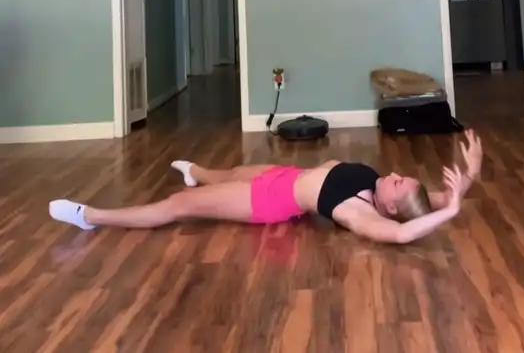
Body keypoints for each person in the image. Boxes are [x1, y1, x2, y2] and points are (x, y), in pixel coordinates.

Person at [49, 129, 483, 244]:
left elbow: (404, 233)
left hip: (268, 200)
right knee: (233, 170)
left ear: (389, 208)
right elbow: (437, 198)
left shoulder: (360, 214)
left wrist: (452, 212)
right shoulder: (384, 191)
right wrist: (469, 175)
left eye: (399, 184)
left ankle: (91, 216)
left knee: (179, 205)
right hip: (284, 176)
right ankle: (197, 170)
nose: (397, 175)